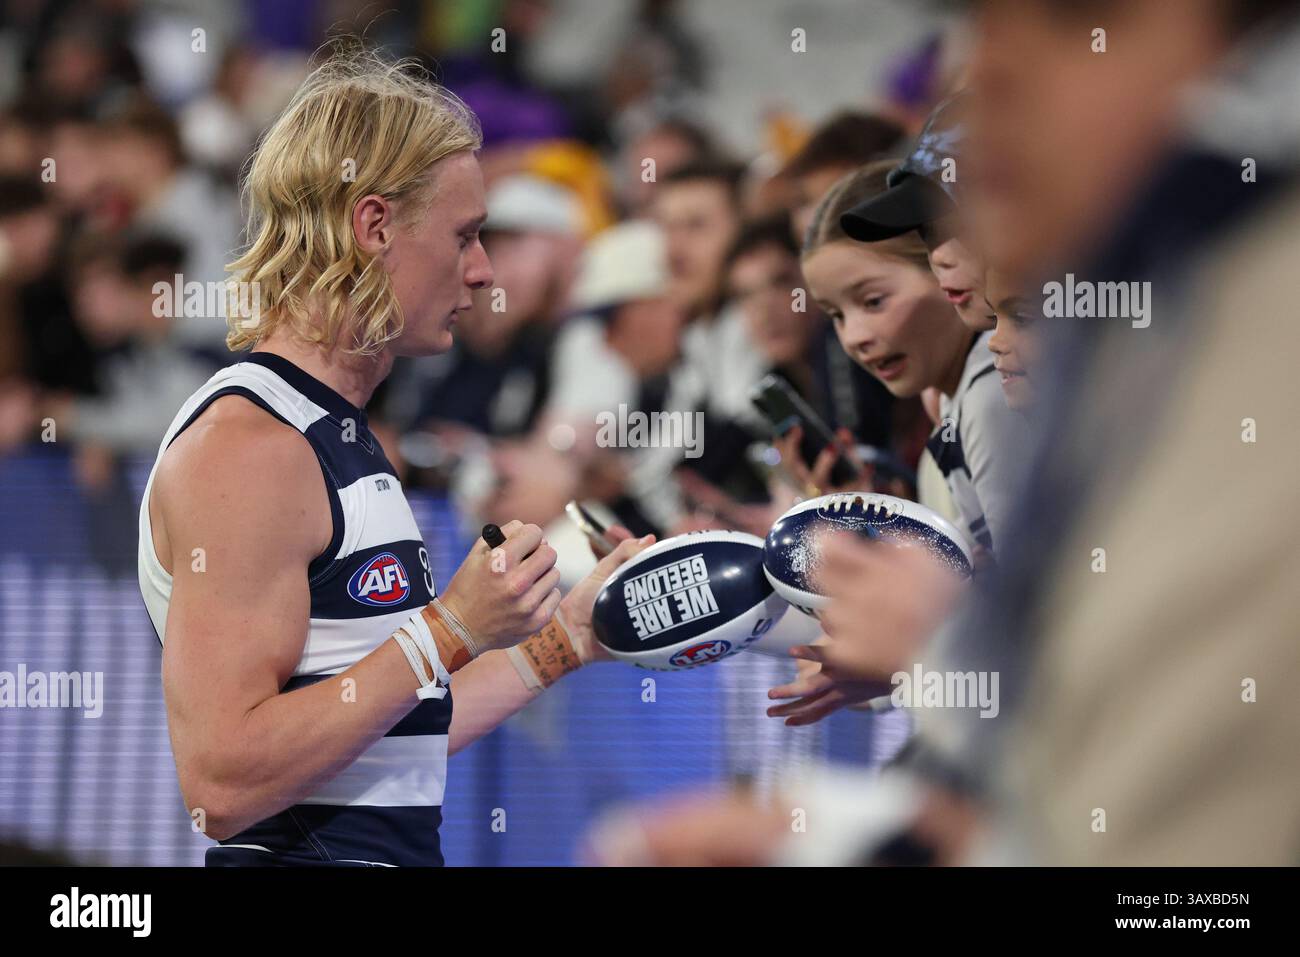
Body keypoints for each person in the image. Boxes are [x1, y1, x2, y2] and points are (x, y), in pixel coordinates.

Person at [136, 48, 652, 867]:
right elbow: (224, 783)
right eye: (465, 236)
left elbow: (389, 742)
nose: (482, 273)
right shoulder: (252, 449)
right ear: (375, 225)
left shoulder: (333, 430)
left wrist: (571, 636)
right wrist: (447, 628)